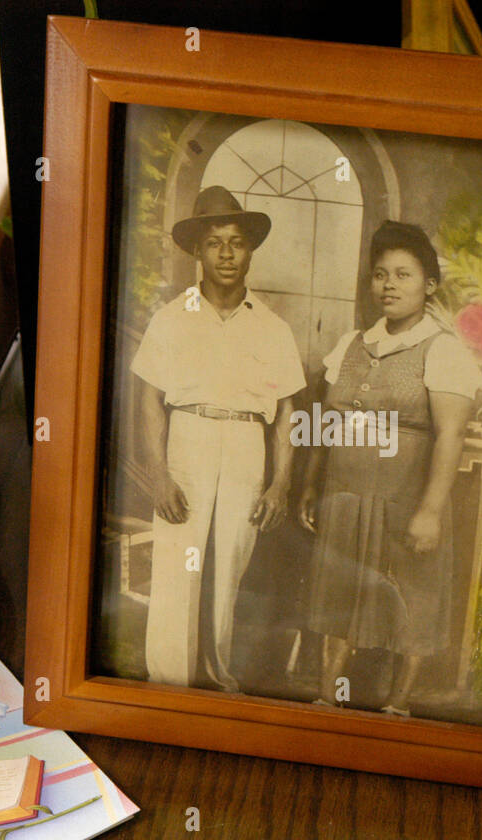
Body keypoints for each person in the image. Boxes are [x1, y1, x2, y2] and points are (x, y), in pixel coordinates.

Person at [298, 221, 482, 716]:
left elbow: (449, 435)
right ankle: (325, 699)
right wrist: (312, 486)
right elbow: (325, 423)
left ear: (429, 285)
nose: (389, 285)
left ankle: (397, 707)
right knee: (338, 597)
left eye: (403, 275)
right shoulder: (352, 344)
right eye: (381, 275)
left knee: (411, 600)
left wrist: (429, 511)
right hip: (343, 495)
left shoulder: (442, 350)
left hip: (405, 499)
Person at [131, 186, 306, 691]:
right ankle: (167, 682)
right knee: (177, 564)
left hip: (247, 444)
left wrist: (280, 485)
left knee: (228, 565)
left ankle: (216, 677)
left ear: (251, 250)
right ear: (197, 253)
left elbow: (287, 414)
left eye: (237, 242)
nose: (226, 254)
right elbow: (149, 401)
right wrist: (159, 474)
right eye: (214, 243)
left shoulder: (273, 328)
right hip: (189, 437)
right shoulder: (170, 320)